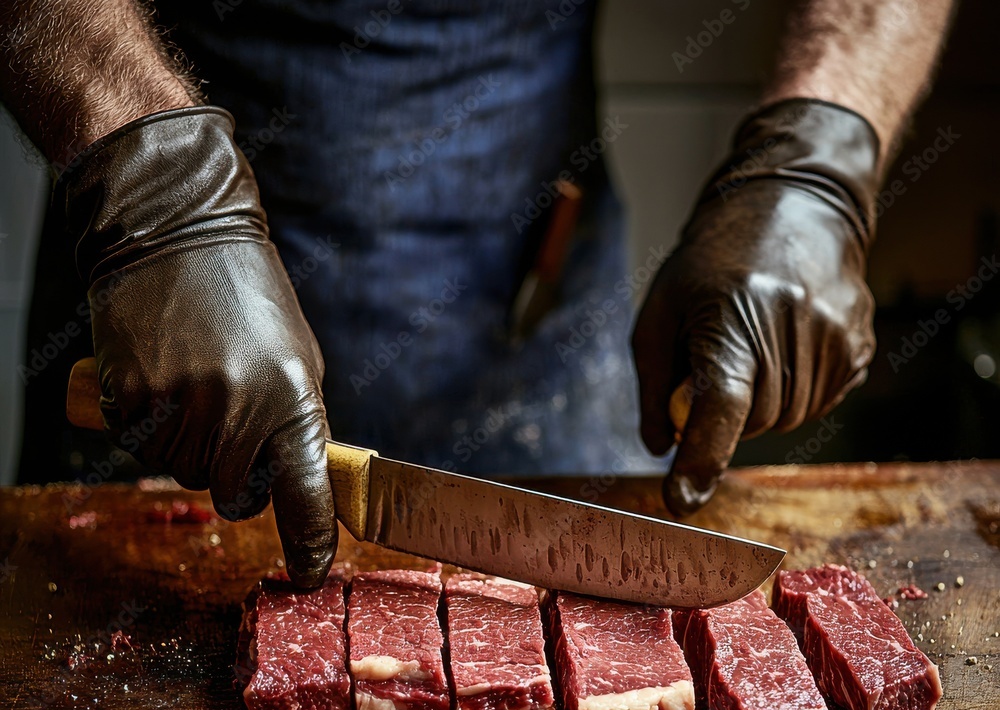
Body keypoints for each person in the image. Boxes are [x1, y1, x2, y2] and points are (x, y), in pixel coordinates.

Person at [0, 1, 956, 588]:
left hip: (527, 281)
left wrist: (820, 155)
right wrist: (156, 186)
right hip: (161, 283)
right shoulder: (157, 210)